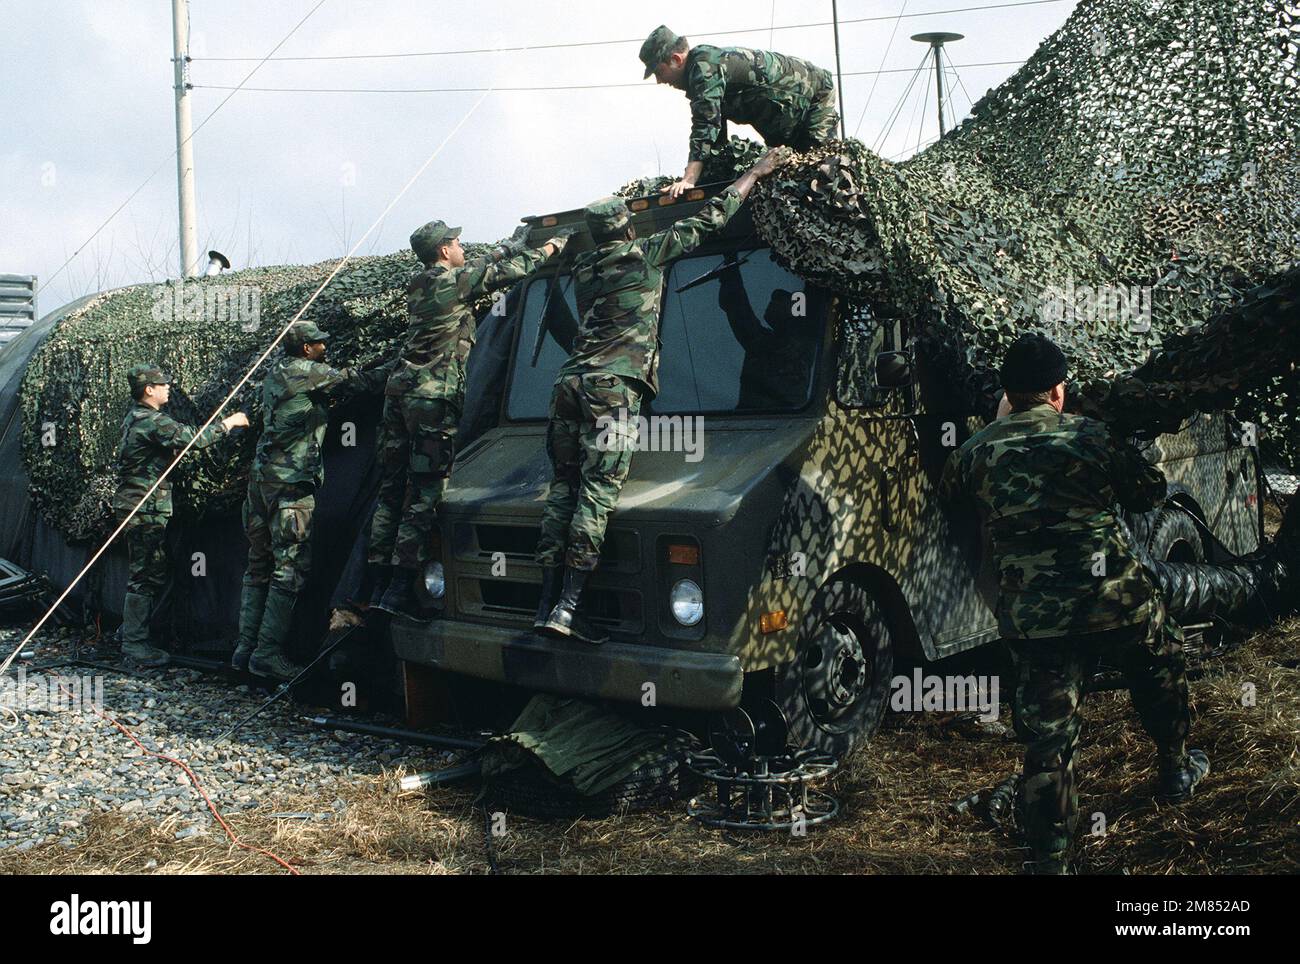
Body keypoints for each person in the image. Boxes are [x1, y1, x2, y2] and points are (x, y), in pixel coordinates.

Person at [939, 333, 1210, 874]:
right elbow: (1148, 494)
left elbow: (955, 507)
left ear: (1008, 393)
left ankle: (1050, 857)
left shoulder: (974, 452)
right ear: (1059, 390)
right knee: (1160, 670)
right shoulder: (1091, 437)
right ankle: (1177, 770)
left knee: (1048, 737)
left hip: (1038, 618)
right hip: (1115, 599)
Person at [534, 147, 786, 644]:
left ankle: (545, 603)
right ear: (627, 228)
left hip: (568, 386)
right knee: (598, 494)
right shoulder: (645, 254)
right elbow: (713, 217)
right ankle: (569, 608)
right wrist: (756, 171)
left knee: (561, 490)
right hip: (611, 388)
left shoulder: (585, 269)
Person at [365, 220, 572, 619]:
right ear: (444, 251)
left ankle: (376, 587)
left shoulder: (420, 282)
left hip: (398, 398)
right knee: (424, 495)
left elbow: (482, 265)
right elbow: (507, 272)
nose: (461, 246)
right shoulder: (455, 283)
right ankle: (399, 591)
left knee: (391, 493)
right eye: (456, 242)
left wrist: (510, 243)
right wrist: (552, 248)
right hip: (431, 402)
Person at [233, 321, 391, 680]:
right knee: (289, 569)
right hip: (290, 485)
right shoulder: (308, 372)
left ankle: (244, 650)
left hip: (261, 482)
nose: (324, 348)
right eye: (319, 344)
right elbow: (360, 381)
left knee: (258, 566)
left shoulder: (277, 372)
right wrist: (402, 363)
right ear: (306, 349)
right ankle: (267, 654)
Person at [113, 364, 248, 668]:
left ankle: (133, 633)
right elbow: (193, 439)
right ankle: (134, 644)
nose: (168, 389)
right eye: (163, 385)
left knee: (151, 570)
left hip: (139, 505)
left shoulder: (136, 418)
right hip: (144, 508)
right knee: (145, 574)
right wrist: (230, 423)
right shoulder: (151, 421)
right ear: (149, 390)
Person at [639, 24, 838, 198]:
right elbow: (715, 136)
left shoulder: (704, 66)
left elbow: (706, 124)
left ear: (676, 59)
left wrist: (689, 179)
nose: (660, 80)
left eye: (659, 71)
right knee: (787, 174)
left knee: (818, 173)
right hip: (784, 118)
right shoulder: (698, 76)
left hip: (813, 98)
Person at [716, 261, 820, 409]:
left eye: (780, 300)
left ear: (796, 312)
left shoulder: (795, 343)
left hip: (781, 420)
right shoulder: (775, 340)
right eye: (773, 299)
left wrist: (731, 274)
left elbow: (740, 314)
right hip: (754, 420)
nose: (772, 302)